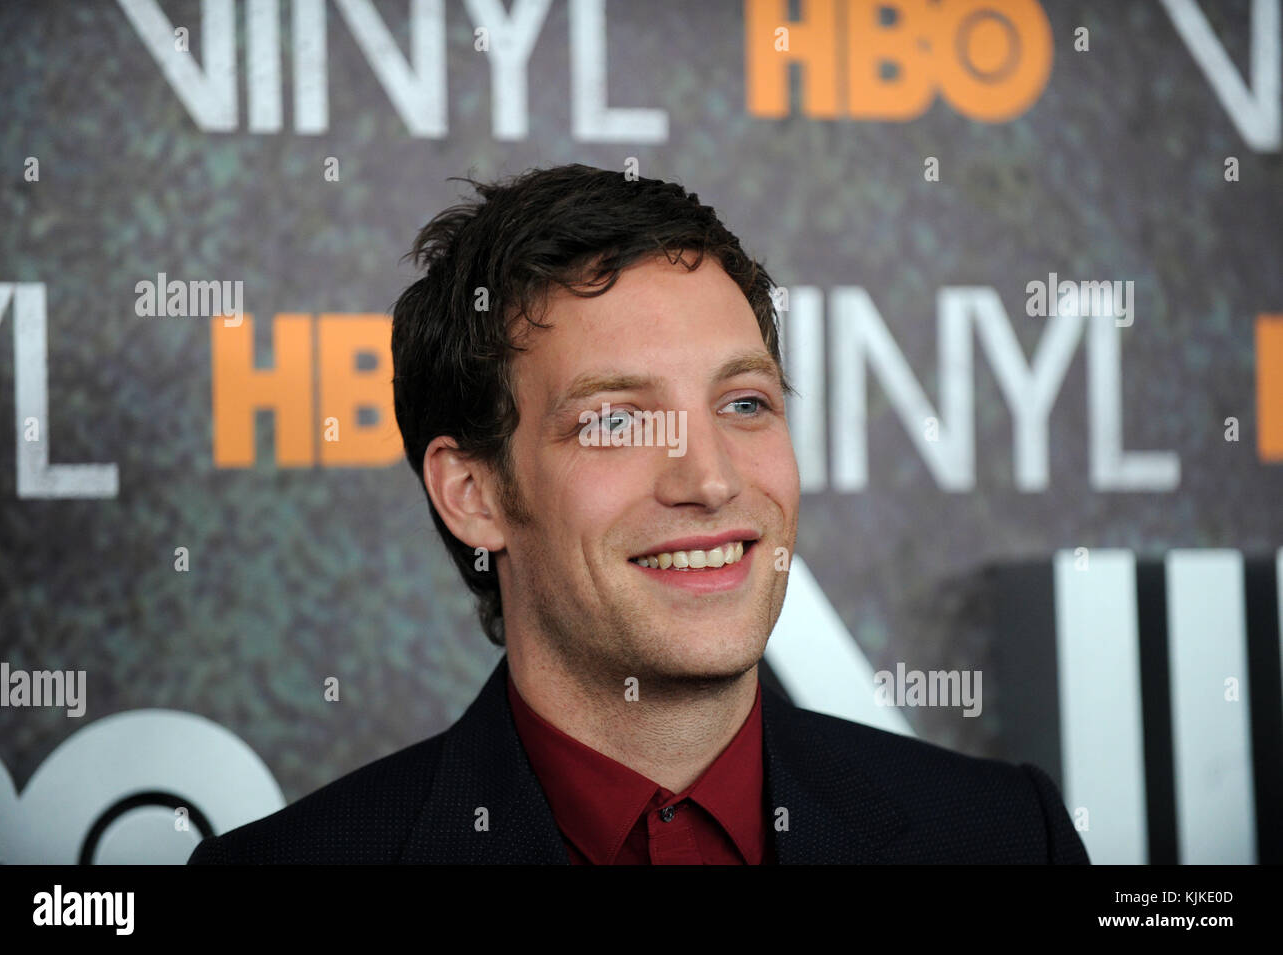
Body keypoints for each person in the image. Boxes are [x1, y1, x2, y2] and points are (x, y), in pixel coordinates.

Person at [188, 164, 1088, 865]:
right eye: (616, 421)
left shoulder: (1004, 837)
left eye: (744, 404)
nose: (710, 479)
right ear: (474, 493)